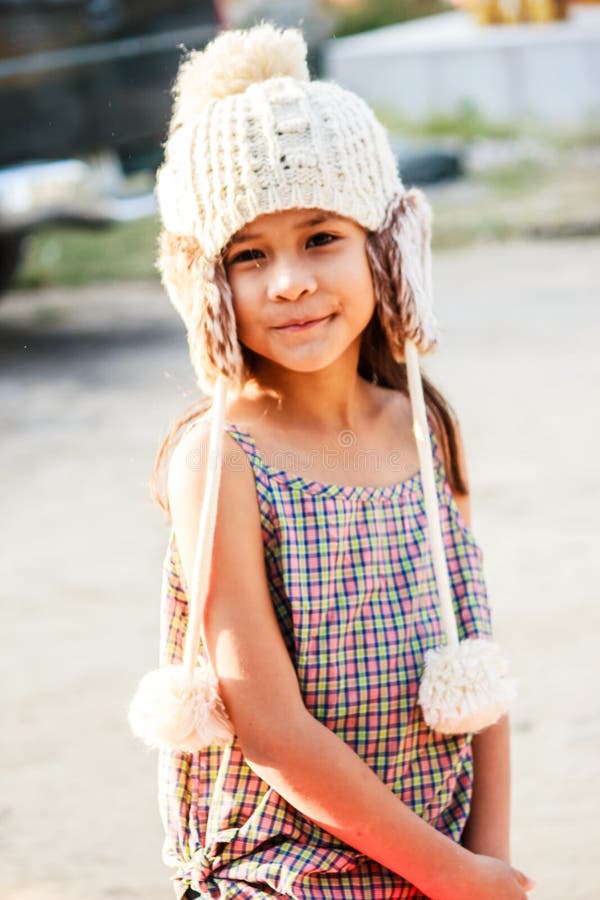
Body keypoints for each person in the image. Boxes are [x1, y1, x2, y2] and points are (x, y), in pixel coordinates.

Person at [130, 22, 534, 900]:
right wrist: (453, 875)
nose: (289, 283)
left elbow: (476, 654)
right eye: (248, 256)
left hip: (443, 856)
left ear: (382, 249)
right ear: (205, 288)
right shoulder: (221, 463)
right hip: (282, 872)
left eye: (320, 238)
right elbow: (270, 728)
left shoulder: (424, 428)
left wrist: (485, 862)